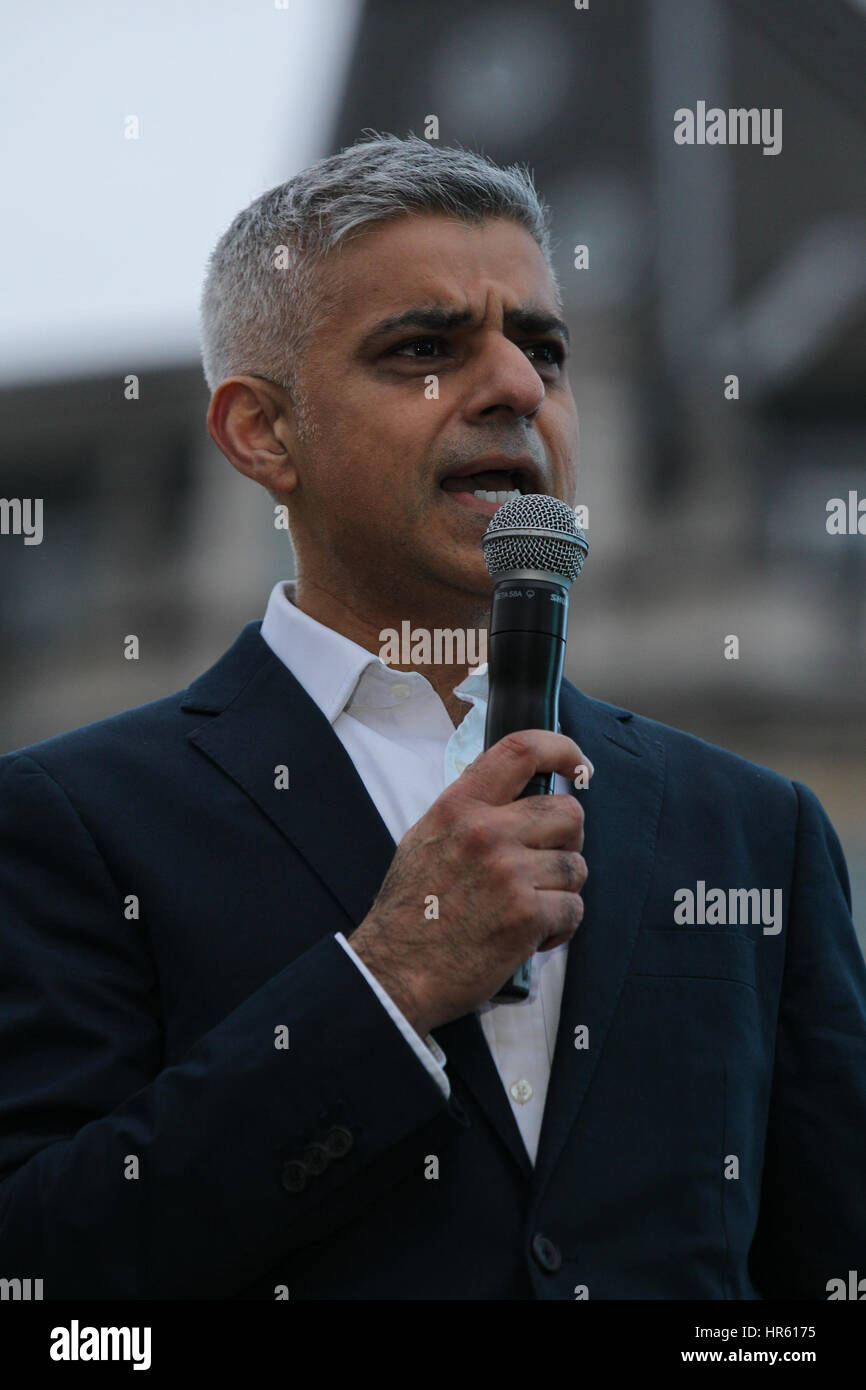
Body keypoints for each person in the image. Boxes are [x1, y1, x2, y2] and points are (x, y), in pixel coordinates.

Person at [0, 134, 863, 1301]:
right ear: (262, 431)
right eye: (424, 349)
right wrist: (386, 983)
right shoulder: (69, 820)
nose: (514, 388)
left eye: (542, 351)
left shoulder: (755, 828)